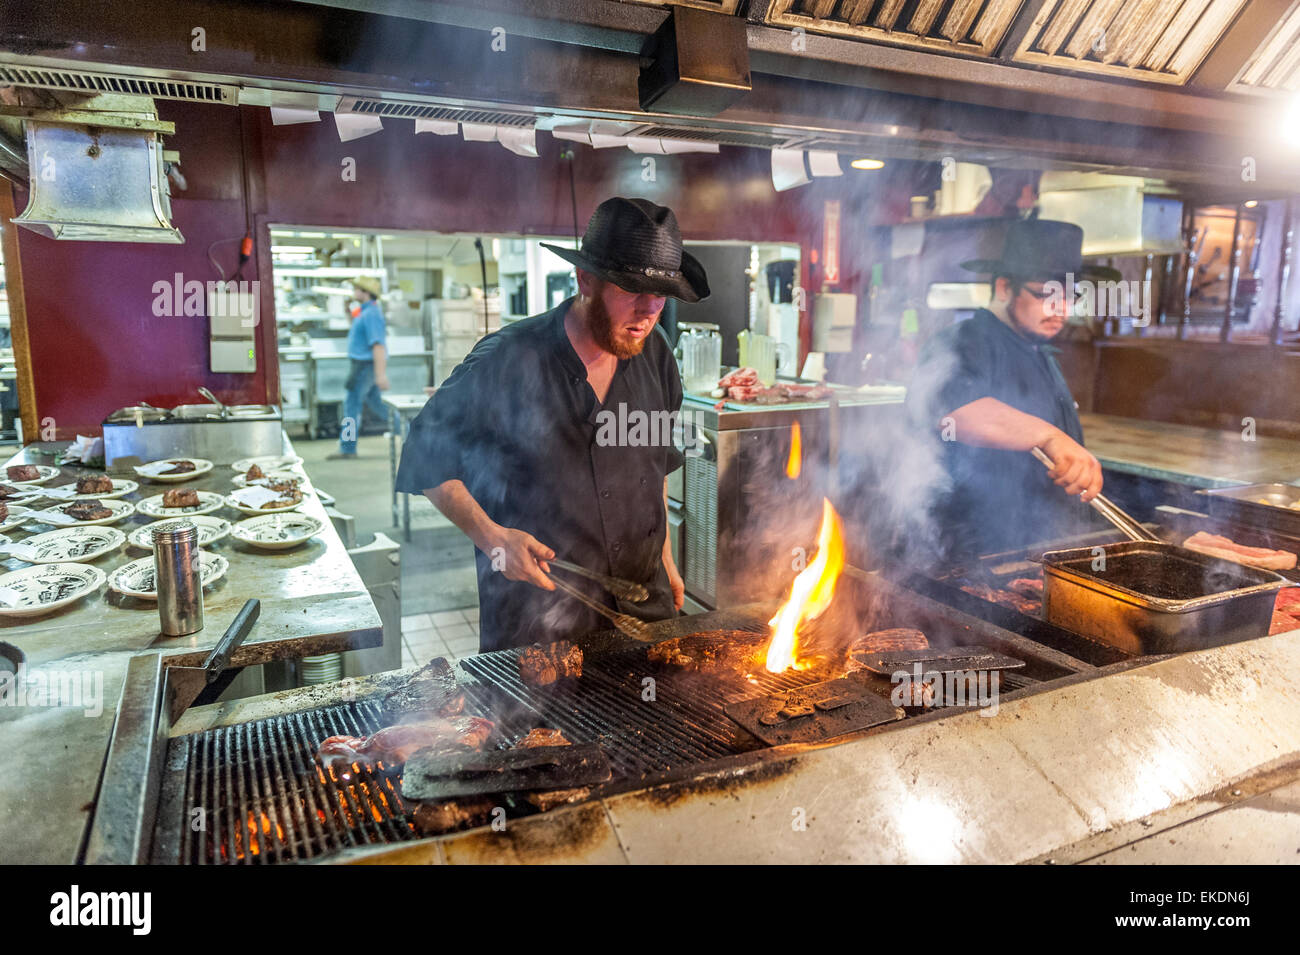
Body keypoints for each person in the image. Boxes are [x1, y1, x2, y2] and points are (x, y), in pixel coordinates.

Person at [395, 197, 709, 651]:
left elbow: (654, 462)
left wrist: (666, 560)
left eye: (660, 295)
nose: (648, 310)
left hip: (644, 607)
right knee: (537, 727)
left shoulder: (656, 351)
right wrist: (495, 539)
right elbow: (425, 451)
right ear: (586, 280)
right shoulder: (507, 359)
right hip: (539, 620)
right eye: (631, 290)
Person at [903, 218, 1120, 564]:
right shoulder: (964, 340)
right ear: (1005, 287)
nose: (1061, 309)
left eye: (1070, 296)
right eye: (1046, 294)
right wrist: (1051, 436)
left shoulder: (1039, 350)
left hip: (1032, 549)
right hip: (972, 555)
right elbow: (956, 411)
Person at [331, 275, 389, 460]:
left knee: (351, 407)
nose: (353, 292)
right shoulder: (364, 312)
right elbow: (359, 333)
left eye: (356, 289)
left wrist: (380, 375)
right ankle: (414, 432)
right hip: (362, 366)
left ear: (366, 292)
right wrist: (348, 312)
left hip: (364, 367)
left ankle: (347, 449)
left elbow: (378, 346)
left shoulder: (372, 314)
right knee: (378, 406)